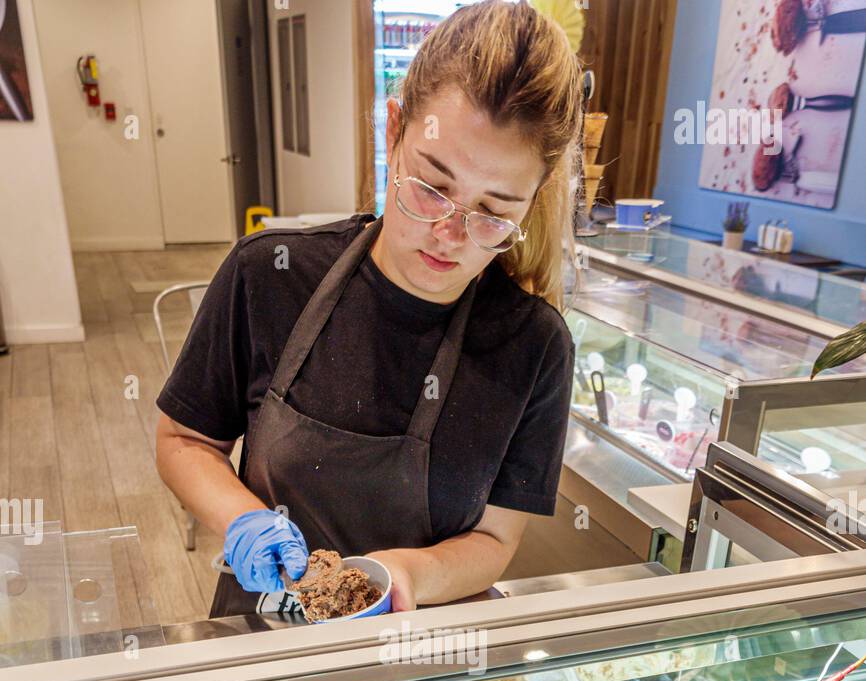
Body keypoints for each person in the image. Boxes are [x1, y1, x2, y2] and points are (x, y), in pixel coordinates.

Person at [155, 0, 580, 617]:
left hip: (422, 656)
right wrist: (243, 518)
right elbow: (183, 439)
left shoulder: (535, 347)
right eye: (433, 186)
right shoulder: (269, 275)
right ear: (394, 130)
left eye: (493, 212)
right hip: (267, 637)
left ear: (532, 199)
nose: (449, 234)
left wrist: (406, 575)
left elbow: (495, 539)